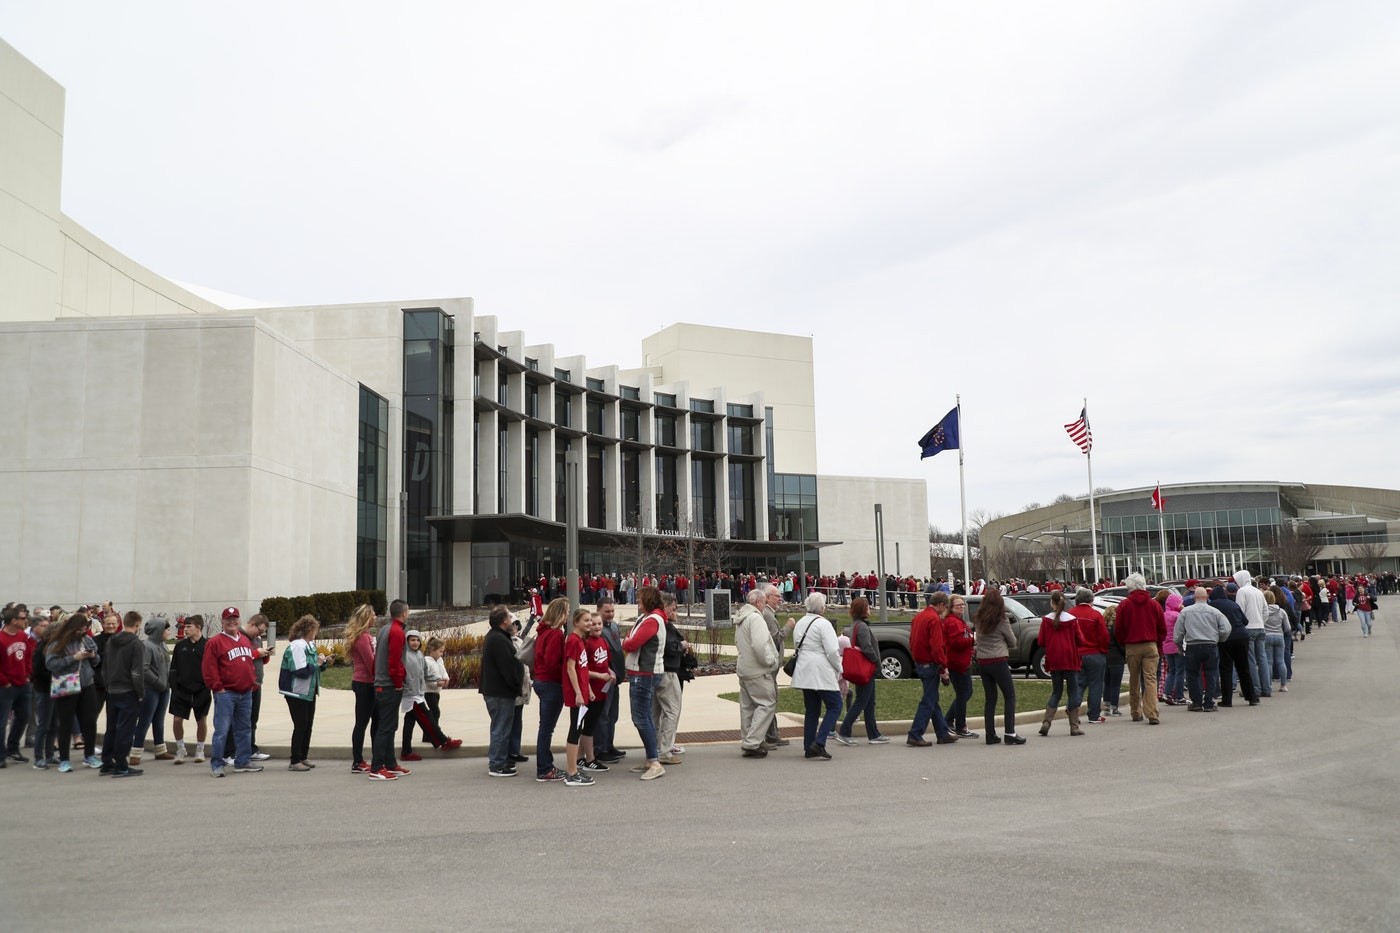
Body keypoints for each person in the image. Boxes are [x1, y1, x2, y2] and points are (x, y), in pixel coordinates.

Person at [202, 607, 263, 778]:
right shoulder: (215, 642)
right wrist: (218, 687)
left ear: (239, 620)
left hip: (245, 692)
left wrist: (251, 682)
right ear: (222, 621)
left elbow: (249, 662)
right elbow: (209, 669)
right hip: (226, 693)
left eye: (235, 618)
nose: (232, 621)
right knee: (222, 730)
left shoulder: (244, 640)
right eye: (228, 619)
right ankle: (217, 764)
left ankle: (242, 761)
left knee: (244, 728)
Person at [45, 611, 103, 771]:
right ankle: (64, 759)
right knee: (66, 723)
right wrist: (73, 658)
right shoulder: (57, 642)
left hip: (87, 684)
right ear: (72, 628)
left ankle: (89, 755)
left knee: (90, 721)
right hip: (67, 685)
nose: (82, 632)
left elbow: (97, 661)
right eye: (79, 629)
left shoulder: (87, 639)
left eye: (85, 629)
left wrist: (92, 655)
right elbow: (51, 664)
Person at [789, 591, 842, 760]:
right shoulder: (823, 624)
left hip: (804, 669)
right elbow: (833, 651)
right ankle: (819, 743)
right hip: (820, 669)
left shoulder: (801, 623)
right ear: (821, 608)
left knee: (812, 709)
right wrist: (839, 667)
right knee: (835, 705)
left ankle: (808, 745)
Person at [622, 586, 667, 780]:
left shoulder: (652, 620)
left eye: (640, 599)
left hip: (644, 673)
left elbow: (631, 642)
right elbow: (631, 636)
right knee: (645, 716)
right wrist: (628, 638)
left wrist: (626, 640)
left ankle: (654, 761)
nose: (638, 602)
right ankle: (651, 758)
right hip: (643, 672)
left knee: (641, 718)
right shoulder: (650, 617)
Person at [279, 614, 331, 771]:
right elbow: (299, 670)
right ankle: (294, 760)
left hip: (308, 691)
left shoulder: (309, 646)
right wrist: (318, 664)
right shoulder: (297, 646)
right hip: (297, 692)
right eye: (315, 629)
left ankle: (303, 756)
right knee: (300, 725)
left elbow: (313, 667)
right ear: (309, 629)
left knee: (308, 724)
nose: (316, 632)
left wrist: (323, 663)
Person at [1114, 573, 1166, 725]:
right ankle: (1152, 713)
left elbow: (1119, 629)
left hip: (1132, 645)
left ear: (1129, 587)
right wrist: (1157, 643)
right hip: (1151, 644)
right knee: (1150, 679)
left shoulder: (1124, 605)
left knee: (1134, 679)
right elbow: (1162, 628)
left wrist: (1124, 643)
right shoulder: (1154, 604)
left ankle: (1135, 711)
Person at [99, 610, 146, 776]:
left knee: (111, 728)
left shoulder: (111, 640)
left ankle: (107, 762)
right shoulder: (136, 644)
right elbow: (137, 672)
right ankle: (121, 764)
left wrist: (108, 685)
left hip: (112, 689)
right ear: (137, 625)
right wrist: (140, 693)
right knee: (125, 729)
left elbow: (105, 667)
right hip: (128, 690)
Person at [974, 591, 1025, 745]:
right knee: (1009, 696)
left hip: (983, 661)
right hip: (998, 660)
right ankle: (1010, 732)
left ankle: (990, 734)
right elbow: (1012, 641)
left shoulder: (978, 619)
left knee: (990, 699)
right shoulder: (1001, 620)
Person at [835, 596, 886, 745]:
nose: (870, 609)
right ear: (863, 610)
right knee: (862, 701)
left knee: (870, 702)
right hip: (866, 668)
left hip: (865, 668)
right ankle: (845, 731)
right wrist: (876, 661)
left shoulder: (856, 625)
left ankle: (874, 734)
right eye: (868, 607)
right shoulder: (862, 626)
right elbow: (866, 647)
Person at [906, 592, 955, 747]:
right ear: (940, 605)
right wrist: (943, 666)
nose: (945, 610)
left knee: (932, 699)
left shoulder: (919, 617)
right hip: (930, 663)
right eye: (945, 607)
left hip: (920, 662)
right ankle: (915, 733)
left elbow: (912, 640)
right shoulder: (934, 619)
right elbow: (937, 647)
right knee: (928, 700)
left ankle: (942, 733)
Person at [480, 606, 524, 777]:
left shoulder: (498, 636)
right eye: (509, 617)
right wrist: (515, 686)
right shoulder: (498, 639)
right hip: (500, 692)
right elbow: (507, 667)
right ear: (504, 621)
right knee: (500, 727)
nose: (512, 620)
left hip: (499, 691)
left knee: (501, 726)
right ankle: (497, 764)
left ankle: (500, 760)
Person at [734, 589, 778, 758]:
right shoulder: (755, 618)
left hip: (744, 668)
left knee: (747, 707)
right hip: (758, 670)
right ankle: (752, 742)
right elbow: (760, 645)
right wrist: (770, 661)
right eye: (764, 603)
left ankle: (748, 740)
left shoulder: (741, 618)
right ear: (759, 602)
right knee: (767, 704)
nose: (765, 606)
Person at [370, 599, 410, 781]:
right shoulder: (397, 632)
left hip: (382, 682)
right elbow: (394, 662)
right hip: (388, 685)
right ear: (404, 613)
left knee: (389, 725)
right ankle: (377, 767)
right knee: (386, 727)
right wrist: (398, 682)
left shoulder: (386, 629)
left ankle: (390, 763)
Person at [222, 613, 271, 763]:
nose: (260, 634)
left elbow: (256, 660)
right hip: (242, 685)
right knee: (234, 721)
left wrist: (265, 655)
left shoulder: (256, 639)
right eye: (260, 630)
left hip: (256, 684)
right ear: (252, 624)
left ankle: (250, 749)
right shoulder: (239, 637)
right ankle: (229, 753)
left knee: (252, 720)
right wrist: (256, 653)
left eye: (263, 632)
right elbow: (237, 657)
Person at [531, 597, 570, 783]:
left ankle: (546, 765)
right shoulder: (556, 634)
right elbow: (552, 662)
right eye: (567, 612)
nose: (568, 616)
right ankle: (544, 768)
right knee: (547, 729)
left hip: (541, 680)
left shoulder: (544, 631)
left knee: (545, 728)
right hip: (550, 683)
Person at [1173, 587, 1230, 711]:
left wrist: (1179, 646)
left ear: (1194, 597)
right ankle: (1209, 702)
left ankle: (1197, 702)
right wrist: (1219, 638)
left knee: (1193, 674)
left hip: (1192, 645)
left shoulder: (1186, 612)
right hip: (1210, 645)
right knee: (1211, 674)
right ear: (1207, 597)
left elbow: (1178, 633)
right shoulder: (1215, 612)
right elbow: (1226, 628)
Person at [1037, 591, 1084, 737]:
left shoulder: (1046, 620)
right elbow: (1080, 639)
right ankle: (1074, 726)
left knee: (1056, 691)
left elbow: (1041, 641)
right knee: (1073, 691)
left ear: (1052, 602)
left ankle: (1046, 722)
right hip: (1070, 658)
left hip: (1054, 658)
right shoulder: (1072, 620)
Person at [130, 614, 173, 765]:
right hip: (151, 690)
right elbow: (144, 669)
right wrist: (158, 682)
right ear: (158, 630)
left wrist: (166, 683)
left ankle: (160, 750)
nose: (169, 632)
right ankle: (135, 752)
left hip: (164, 689)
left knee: (159, 720)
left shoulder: (163, 645)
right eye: (166, 629)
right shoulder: (147, 646)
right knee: (145, 721)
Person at [561, 608, 596, 786]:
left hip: (582, 691)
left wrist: (588, 688)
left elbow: (582, 669)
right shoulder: (573, 641)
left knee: (578, 727)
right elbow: (570, 668)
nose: (589, 623)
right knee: (574, 730)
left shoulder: (581, 641)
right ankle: (572, 772)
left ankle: (574, 768)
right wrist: (578, 693)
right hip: (576, 695)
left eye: (590, 620)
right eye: (586, 620)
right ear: (576, 623)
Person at [169, 616, 210, 763]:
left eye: (189, 627)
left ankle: (200, 750)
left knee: (201, 721)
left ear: (198, 627)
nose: (185, 629)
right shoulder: (180, 646)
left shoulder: (208, 645)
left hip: (201, 690)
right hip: (181, 691)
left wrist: (209, 685)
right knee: (177, 720)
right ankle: (181, 749)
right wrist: (173, 686)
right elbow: (173, 668)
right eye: (184, 627)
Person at [344, 604, 379, 774]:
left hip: (366, 682)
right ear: (366, 617)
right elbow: (370, 662)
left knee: (374, 721)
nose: (376, 617)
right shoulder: (362, 638)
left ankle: (375, 756)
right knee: (362, 723)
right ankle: (358, 761)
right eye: (373, 614)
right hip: (365, 684)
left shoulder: (365, 636)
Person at [1210, 584, 1257, 707]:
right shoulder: (1233, 604)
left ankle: (1227, 700)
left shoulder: (1213, 605)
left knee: (1226, 668)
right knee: (1243, 667)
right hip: (1242, 636)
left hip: (1226, 638)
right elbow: (1245, 621)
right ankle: (1252, 697)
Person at [653, 593, 686, 765]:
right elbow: (669, 647)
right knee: (672, 711)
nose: (676, 611)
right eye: (673, 608)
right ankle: (665, 750)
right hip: (667, 672)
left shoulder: (654, 622)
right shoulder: (662, 624)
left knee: (656, 713)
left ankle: (656, 748)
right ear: (665, 606)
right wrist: (682, 645)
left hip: (657, 672)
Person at [581, 611, 616, 772]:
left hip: (602, 690)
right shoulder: (586, 643)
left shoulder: (602, 641)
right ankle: (590, 758)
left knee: (591, 723)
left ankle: (581, 757)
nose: (596, 626)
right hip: (591, 690)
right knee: (588, 726)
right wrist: (600, 675)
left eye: (598, 623)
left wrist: (610, 672)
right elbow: (582, 669)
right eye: (593, 624)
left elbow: (605, 663)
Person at [593, 598, 627, 762]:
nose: (610, 614)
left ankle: (608, 745)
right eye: (607, 611)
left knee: (613, 715)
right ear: (599, 610)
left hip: (616, 679)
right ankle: (599, 750)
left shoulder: (613, 626)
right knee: (603, 715)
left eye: (612, 611)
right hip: (605, 680)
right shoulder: (597, 630)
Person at [0, 606, 33, 767]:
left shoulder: (22, 635)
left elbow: (27, 655)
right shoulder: (1, 638)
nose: (25, 620)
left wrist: (27, 674)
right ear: (14, 620)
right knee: (2, 721)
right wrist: (4, 682)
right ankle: (0, 755)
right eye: (23, 617)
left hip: (23, 684)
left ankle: (13, 749)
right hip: (5, 687)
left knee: (24, 716)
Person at [1070, 588, 1109, 724]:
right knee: (1096, 685)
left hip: (1077, 654)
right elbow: (1103, 636)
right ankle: (1093, 714)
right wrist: (1103, 651)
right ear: (1091, 599)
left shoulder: (1070, 614)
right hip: (1095, 653)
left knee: (1078, 684)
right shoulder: (1096, 615)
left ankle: (1073, 710)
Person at [941, 594, 977, 739]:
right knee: (964, 693)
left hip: (962, 661)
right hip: (957, 663)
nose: (961, 607)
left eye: (962, 604)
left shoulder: (958, 621)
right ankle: (960, 725)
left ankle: (948, 721)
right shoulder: (952, 622)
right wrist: (972, 640)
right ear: (951, 607)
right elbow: (956, 642)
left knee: (965, 693)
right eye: (958, 605)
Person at [760, 585, 790, 749]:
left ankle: (772, 734)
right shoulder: (768, 616)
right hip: (770, 666)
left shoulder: (769, 614)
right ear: (767, 597)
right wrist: (788, 627)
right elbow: (774, 639)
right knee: (770, 700)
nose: (780, 599)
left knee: (770, 699)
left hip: (772, 665)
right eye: (777, 596)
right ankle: (771, 735)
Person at [1234, 571, 1270, 698]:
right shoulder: (1258, 591)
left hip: (1248, 628)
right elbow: (1266, 610)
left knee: (1250, 660)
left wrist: (1242, 625)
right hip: (1260, 627)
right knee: (1262, 658)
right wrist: (1261, 621)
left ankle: (1255, 688)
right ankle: (1266, 688)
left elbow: (1240, 611)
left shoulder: (1242, 591)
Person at [1262, 591, 1291, 693]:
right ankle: (1283, 685)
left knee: (1268, 662)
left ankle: (1268, 684)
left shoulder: (1263, 611)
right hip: (1279, 636)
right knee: (1280, 661)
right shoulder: (1281, 611)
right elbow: (1288, 628)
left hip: (1267, 636)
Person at [1160, 593, 1184, 706]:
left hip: (1166, 647)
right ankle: (1179, 696)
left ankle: (1167, 693)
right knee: (1180, 671)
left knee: (1171, 671)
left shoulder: (1163, 615)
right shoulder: (1178, 615)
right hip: (1177, 646)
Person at [1103, 605, 1126, 717]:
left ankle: (1106, 707)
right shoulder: (1116, 627)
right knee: (1115, 684)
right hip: (1116, 657)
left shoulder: (1103, 626)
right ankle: (1114, 707)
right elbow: (1120, 642)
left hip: (1105, 657)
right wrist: (1125, 653)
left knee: (1106, 683)